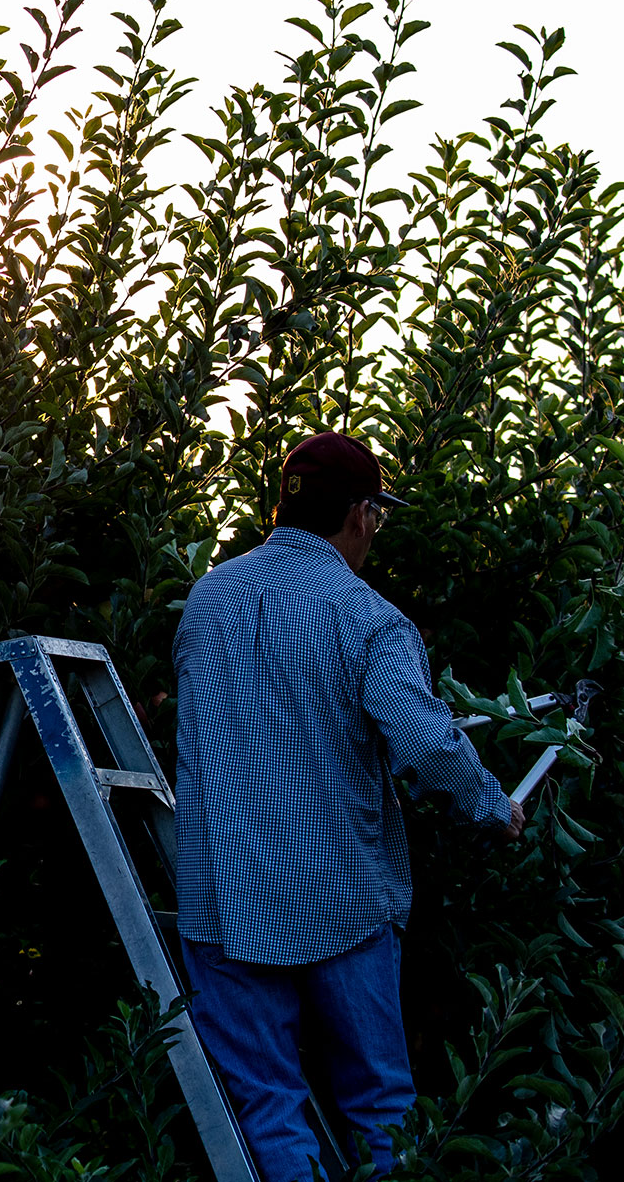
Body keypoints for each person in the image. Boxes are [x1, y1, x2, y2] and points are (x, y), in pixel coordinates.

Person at [171, 431, 525, 1182]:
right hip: (342, 905)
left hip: (221, 903)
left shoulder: (206, 600)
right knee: (379, 1110)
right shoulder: (369, 618)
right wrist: (493, 806)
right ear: (361, 515)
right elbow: (428, 747)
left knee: (266, 1109)